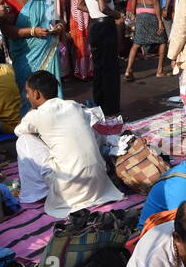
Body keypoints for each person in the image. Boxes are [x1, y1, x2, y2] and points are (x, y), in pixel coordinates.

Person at [14, 69, 122, 217]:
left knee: (24, 141)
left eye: (28, 92)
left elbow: (19, 130)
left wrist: (32, 112)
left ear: (36, 94)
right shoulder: (74, 106)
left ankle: (34, 194)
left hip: (69, 189)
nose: (26, 96)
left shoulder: (36, 115)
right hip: (99, 185)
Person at [2, 0, 62, 115]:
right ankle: (31, 126)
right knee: (28, 92)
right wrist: (32, 31)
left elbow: (55, 19)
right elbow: (7, 30)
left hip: (47, 50)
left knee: (49, 91)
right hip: (25, 56)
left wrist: (59, 26)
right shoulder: (9, 4)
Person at [79, 0, 125, 118]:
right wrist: (118, 15)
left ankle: (102, 105)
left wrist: (93, 14)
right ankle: (110, 108)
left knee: (100, 68)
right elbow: (103, 7)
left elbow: (80, 5)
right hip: (104, 26)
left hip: (96, 25)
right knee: (109, 69)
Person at [126, 0, 166, 80]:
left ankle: (128, 71)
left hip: (139, 11)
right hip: (151, 12)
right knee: (163, 40)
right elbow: (155, 2)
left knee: (137, 43)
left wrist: (133, 14)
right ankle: (159, 70)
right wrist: (160, 21)